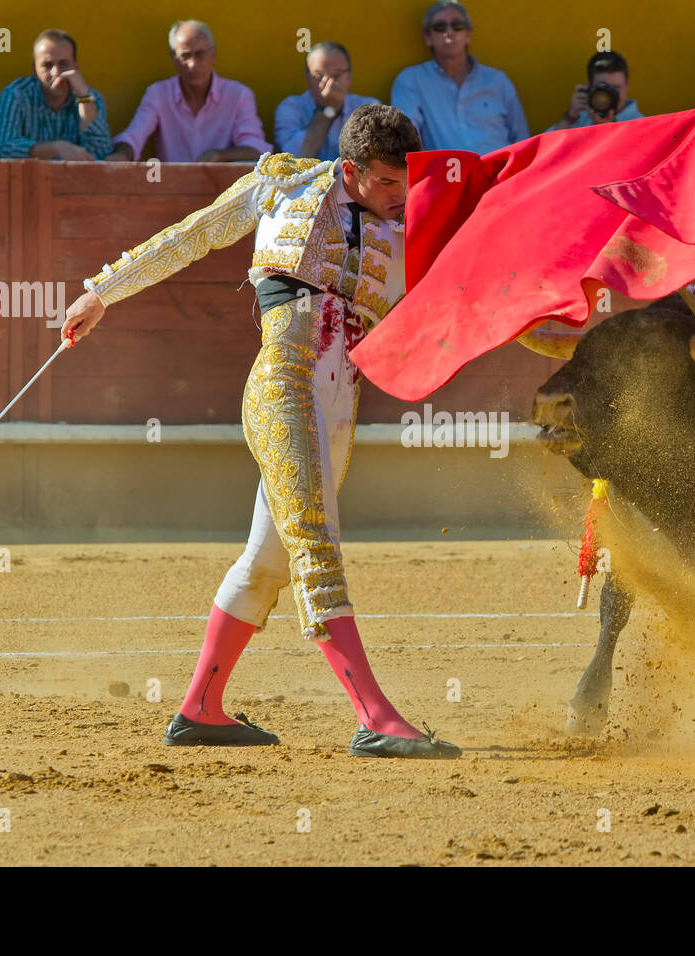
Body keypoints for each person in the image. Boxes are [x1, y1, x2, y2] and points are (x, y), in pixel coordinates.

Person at [60, 105, 460, 758]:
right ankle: (376, 719)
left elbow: (464, 298)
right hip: (285, 383)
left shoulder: (406, 232)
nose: (402, 194)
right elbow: (195, 234)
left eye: (405, 179)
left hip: (340, 404)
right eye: (388, 182)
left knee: (267, 561)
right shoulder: (282, 184)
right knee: (315, 543)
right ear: (352, 171)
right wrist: (103, 291)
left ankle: (201, 708)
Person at [108, 20, 270, 163]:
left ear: (213, 54)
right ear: (174, 59)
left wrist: (218, 155)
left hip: (225, 191)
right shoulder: (158, 93)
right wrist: (121, 155)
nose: (192, 64)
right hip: (172, 188)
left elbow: (256, 149)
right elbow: (134, 136)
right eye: (185, 56)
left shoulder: (238, 95)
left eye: (200, 54)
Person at [390, 0, 529, 151]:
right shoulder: (411, 80)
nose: (449, 32)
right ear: (428, 38)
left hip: (502, 172)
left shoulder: (498, 81)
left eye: (457, 25)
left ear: (468, 35)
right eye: (440, 27)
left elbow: (522, 139)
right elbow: (406, 140)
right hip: (444, 173)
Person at [0, 29, 113, 160]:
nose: (56, 72)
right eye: (47, 65)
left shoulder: (90, 97)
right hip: (30, 179)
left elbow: (102, 153)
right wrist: (56, 147)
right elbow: (5, 148)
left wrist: (83, 98)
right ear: (35, 70)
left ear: (76, 66)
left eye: (64, 64)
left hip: (75, 179)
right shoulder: (17, 94)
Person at [274, 41, 378, 161]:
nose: (327, 84)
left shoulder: (368, 108)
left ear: (349, 77)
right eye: (318, 76)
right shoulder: (290, 108)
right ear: (307, 77)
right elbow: (293, 161)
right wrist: (327, 110)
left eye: (335, 76)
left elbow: (373, 162)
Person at [546, 51, 642, 131]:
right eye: (603, 88)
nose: (608, 95)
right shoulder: (581, 117)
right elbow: (547, 150)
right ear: (589, 87)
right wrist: (570, 117)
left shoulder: (640, 124)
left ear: (627, 86)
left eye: (616, 88)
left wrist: (607, 128)